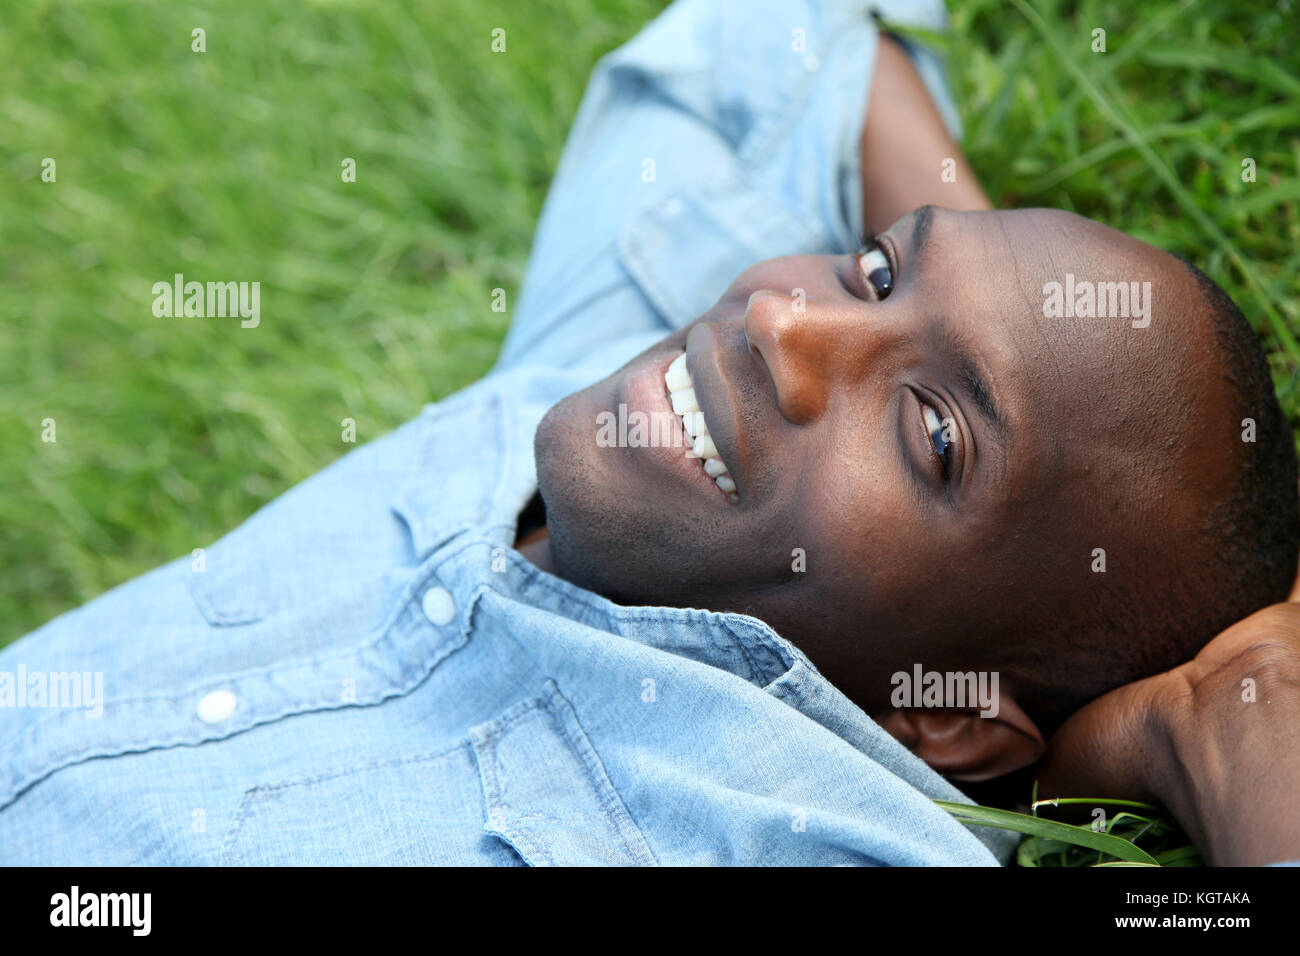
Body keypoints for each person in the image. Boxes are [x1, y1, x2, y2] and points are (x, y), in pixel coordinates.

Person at [0, 0, 1295, 865]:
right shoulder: (604, 356)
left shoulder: (778, 830)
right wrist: (989, 271)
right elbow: (774, 35)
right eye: (877, 273)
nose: (783, 318)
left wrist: (1211, 709)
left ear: (948, 728)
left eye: (935, 437)